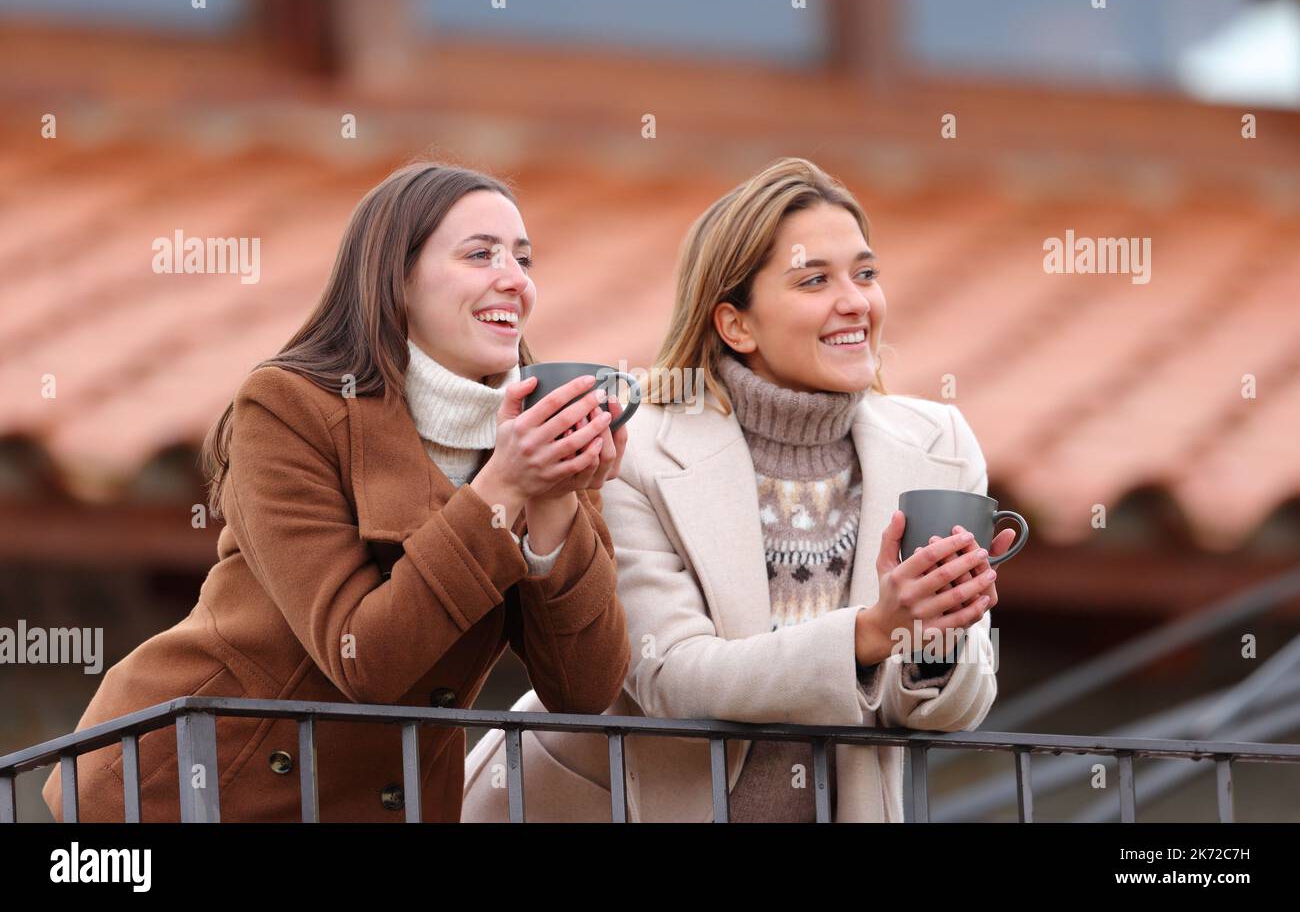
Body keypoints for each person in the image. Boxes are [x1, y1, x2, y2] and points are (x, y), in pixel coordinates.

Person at [42, 161, 630, 822]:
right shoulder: (288, 408)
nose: (514, 280)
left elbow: (585, 692)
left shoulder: (533, 435)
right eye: (480, 254)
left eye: (523, 259)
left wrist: (552, 502)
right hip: (197, 790)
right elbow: (365, 660)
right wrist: (504, 488)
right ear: (397, 278)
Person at [462, 156, 1007, 822]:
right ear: (735, 325)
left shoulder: (939, 447)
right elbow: (672, 677)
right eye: (815, 280)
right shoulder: (639, 449)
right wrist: (869, 633)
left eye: (865, 274)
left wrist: (934, 634)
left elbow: (950, 709)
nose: (856, 301)